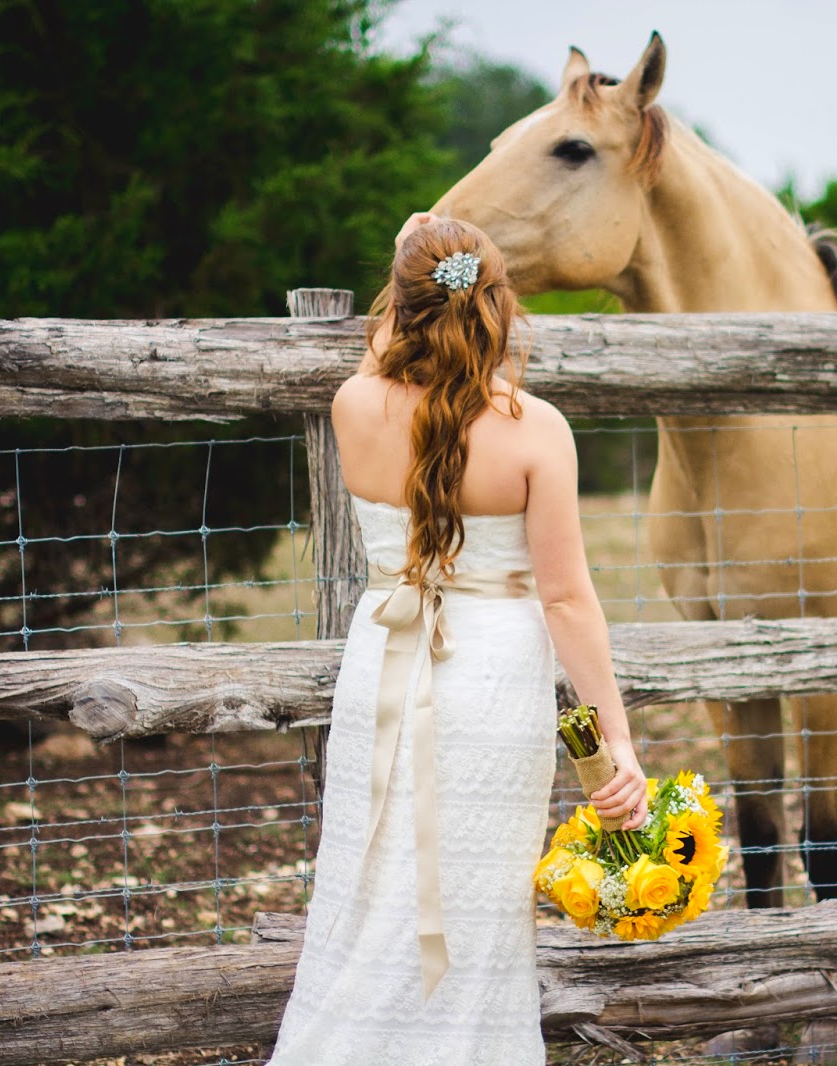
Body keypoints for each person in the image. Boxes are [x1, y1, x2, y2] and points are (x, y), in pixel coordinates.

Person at [266, 213, 648, 1064]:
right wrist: (616, 738)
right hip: (492, 681)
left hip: (382, 663)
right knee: (477, 905)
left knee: (370, 891)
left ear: (398, 308)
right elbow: (566, 600)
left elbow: (382, 349)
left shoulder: (355, 404)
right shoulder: (536, 430)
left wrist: (414, 261)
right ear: (499, 304)